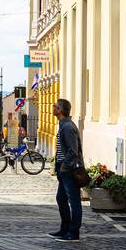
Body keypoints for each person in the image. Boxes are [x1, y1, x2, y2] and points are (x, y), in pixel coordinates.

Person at [51, 98, 84, 242]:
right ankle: (65, 228)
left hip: (69, 169)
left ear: (60, 110)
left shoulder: (68, 127)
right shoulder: (63, 125)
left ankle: (73, 232)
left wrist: (64, 166)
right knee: (61, 198)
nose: (52, 107)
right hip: (63, 168)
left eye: (55, 106)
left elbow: (73, 151)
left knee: (74, 200)